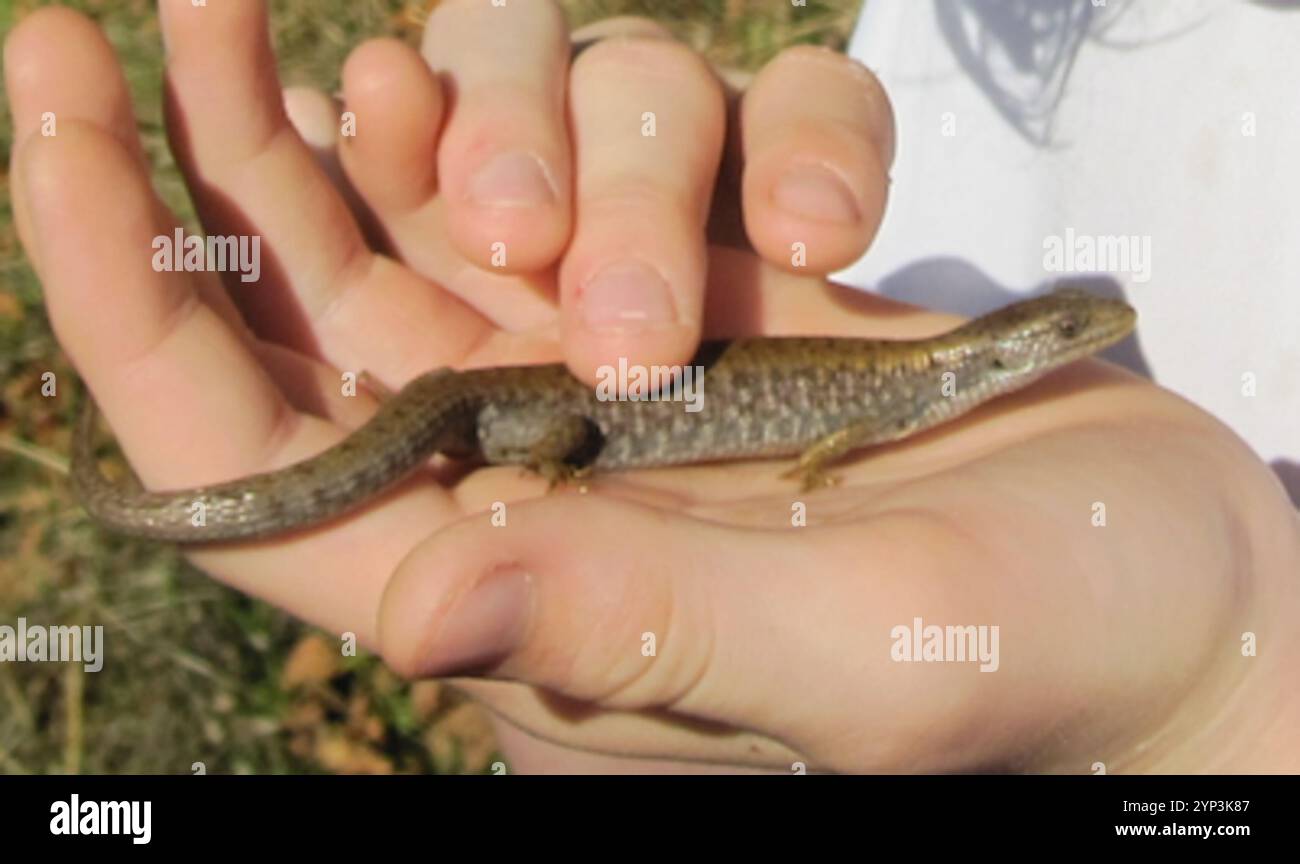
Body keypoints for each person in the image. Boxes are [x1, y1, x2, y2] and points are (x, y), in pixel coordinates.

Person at [5, 0, 1296, 773]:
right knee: (560, 421)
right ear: (1019, 345)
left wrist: (1226, 711)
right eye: (1063, 332)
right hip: (542, 407)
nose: (1074, 342)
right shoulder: (931, 368)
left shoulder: (942, 394)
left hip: (535, 413)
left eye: (1071, 335)